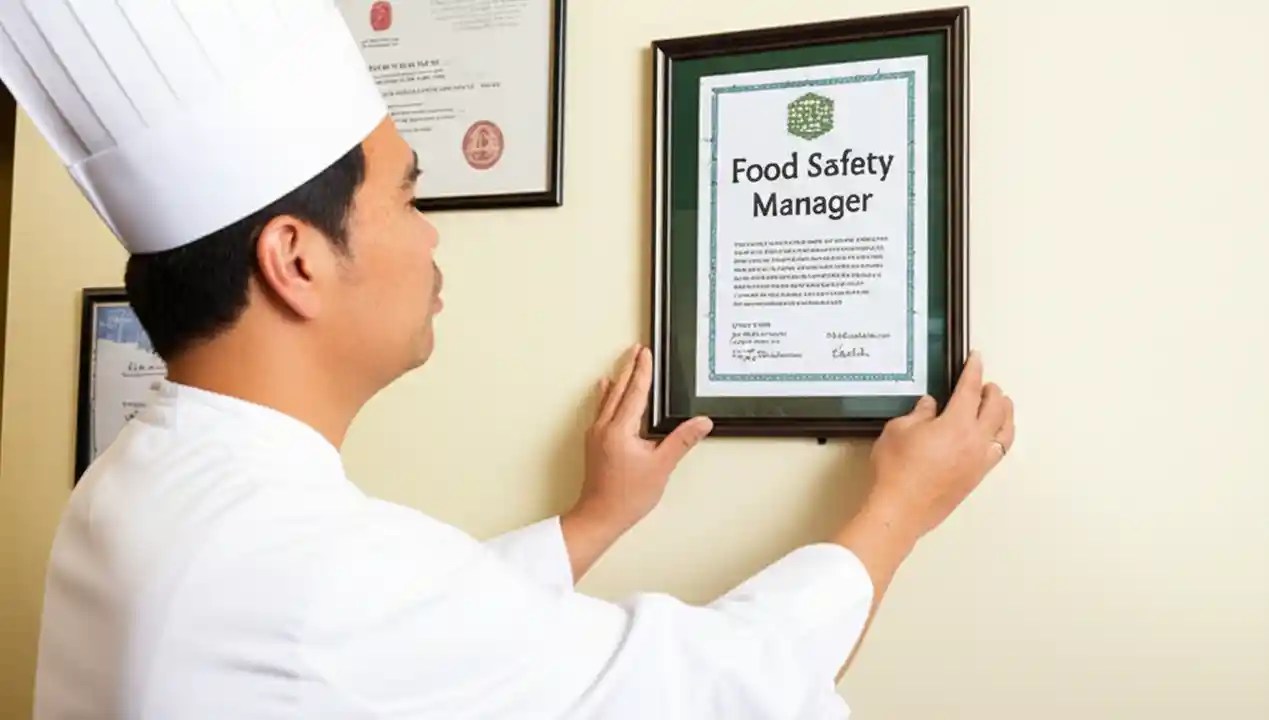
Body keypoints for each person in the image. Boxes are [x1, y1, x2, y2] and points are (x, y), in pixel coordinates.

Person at [1, 2, 1015, 718]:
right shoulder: (304, 577)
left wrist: (594, 518)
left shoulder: (144, 479)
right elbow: (715, 688)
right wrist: (898, 507)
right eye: (406, 194)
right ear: (296, 259)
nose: (433, 236)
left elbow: (406, 640)